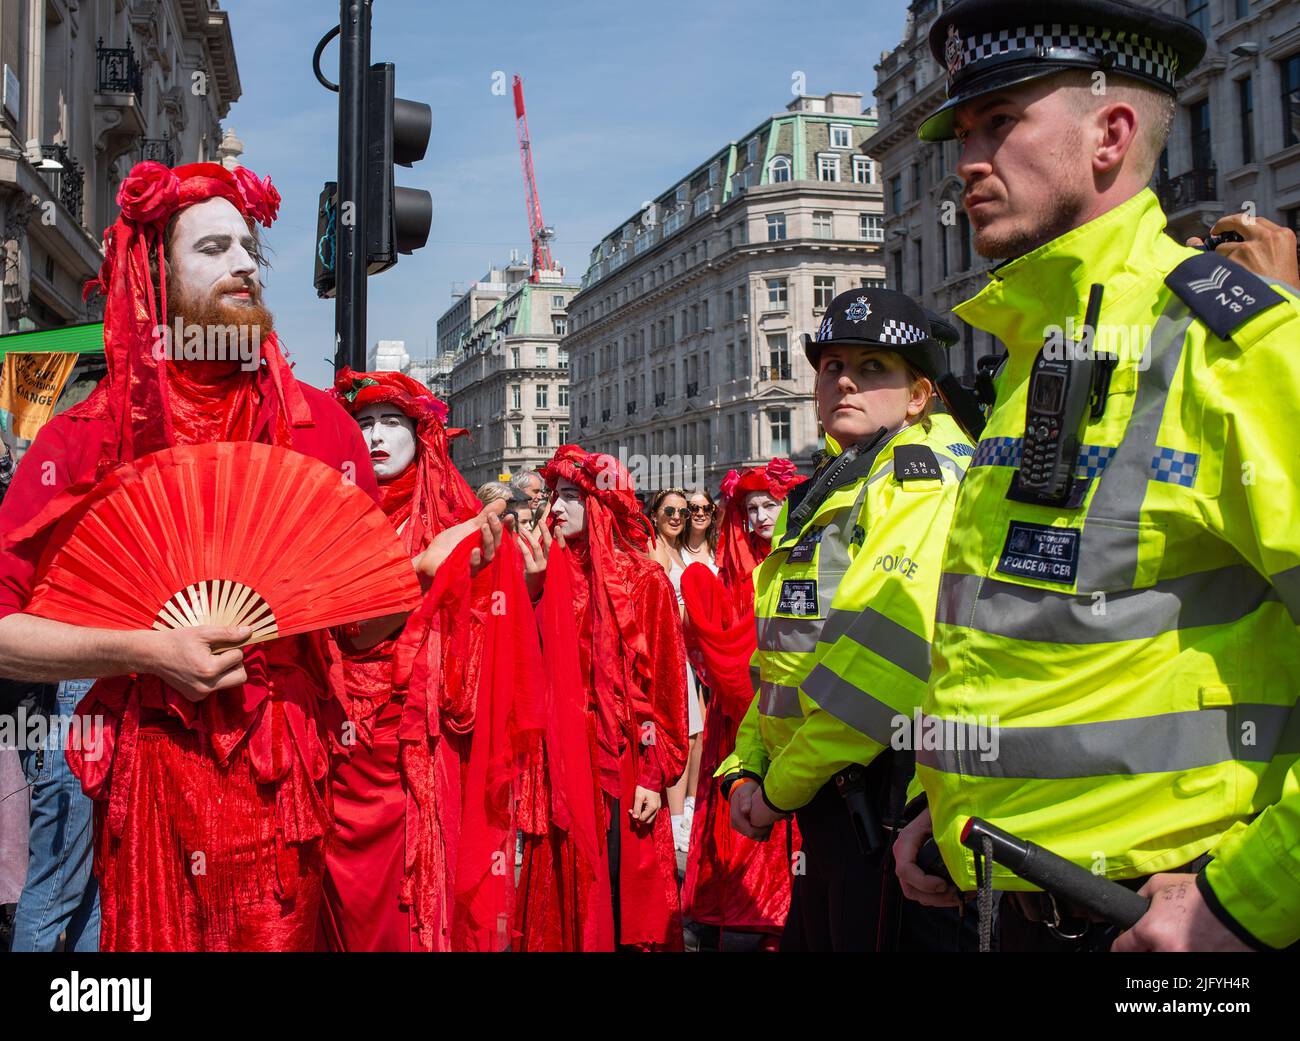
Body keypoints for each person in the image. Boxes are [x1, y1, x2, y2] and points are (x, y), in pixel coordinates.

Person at [0, 160, 500, 951]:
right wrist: (149, 651)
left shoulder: (322, 432)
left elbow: (362, 630)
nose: (241, 263)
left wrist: (422, 575)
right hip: (153, 796)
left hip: (284, 804)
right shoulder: (87, 439)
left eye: (249, 248)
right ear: (158, 276)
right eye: (212, 248)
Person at [894, 0, 1300, 953]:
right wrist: (946, 796)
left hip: (1162, 927)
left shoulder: (1233, 345)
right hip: (1006, 898)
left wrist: (1247, 903)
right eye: (960, 133)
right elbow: (1027, 640)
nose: (966, 163)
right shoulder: (1034, 352)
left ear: (1111, 134)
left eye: (1001, 123)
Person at [717, 287, 978, 952]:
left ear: (920, 394)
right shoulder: (838, 483)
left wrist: (774, 790)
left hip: (888, 801)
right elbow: (786, 658)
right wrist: (745, 765)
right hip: (827, 794)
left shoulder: (920, 476)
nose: (844, 382)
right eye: (832, 366)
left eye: (872, 369)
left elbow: (872, 672)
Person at [322, 369, 536, 951]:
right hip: (335, 740)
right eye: (363, 423)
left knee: (410, 898)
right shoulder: (329, 513)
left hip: (416, 740)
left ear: (422, 437)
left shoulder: (453, 517)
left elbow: (491, 635)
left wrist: (518, 582)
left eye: (392, 423)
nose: (376, 436)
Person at [515, 445, 689, 951]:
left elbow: (668, 691)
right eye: (554, 496)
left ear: (601, 505)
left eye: (571, 496)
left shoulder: (644, 580)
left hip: (627, 764)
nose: (555, 509)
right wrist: (529, 588)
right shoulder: (548, 573)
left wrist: (655, 776)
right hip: (560, 759)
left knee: (621, 891)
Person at [680, 462, 804, 949]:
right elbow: (728, 659)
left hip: (790, 713)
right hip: (741, 724)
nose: (759, 516)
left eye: (769, 504)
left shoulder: (800, 561)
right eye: (750, 508)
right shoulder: (736, 574)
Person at [648, 488, 703, 851]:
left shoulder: (679, 551)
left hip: (686, 651)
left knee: (695, 733)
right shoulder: (650, 547)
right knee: (678, 734)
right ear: (654, 513)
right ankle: (674, 820)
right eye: (669, 510)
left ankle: (685, 811)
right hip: (663, 651)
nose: (676, 517)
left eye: (682, 513)